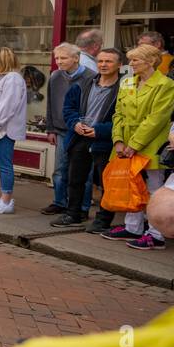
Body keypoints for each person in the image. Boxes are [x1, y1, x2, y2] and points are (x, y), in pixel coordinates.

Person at [101, 43, 174, 248]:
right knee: (130, 185)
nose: (131, 64)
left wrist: (134, 144)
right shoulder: (127, 83)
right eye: (130, 59)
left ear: (151, 61)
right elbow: (117, 113)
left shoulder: (165, 85)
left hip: (151, 144)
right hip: (125, 144)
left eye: (135, 60)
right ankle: (132, 227)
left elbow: (156, 119)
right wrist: (117, 140)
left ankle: (155, 235)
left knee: (154, 188)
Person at [53, 48, 122, 229]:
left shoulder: (124, 89)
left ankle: (102, 221)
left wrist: (100, 130)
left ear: (119, 65)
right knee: (75, 178)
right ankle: (74, 214)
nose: (103, 65)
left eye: (109, 61)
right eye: (100, 61)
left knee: (105, 183)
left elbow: (125, 119)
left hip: (105, 141)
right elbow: (68, 108)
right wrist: (75, 123)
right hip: (80, 138)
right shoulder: (84, 84)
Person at [43, 43, 92, 216]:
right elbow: (50, 104)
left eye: (63, 58)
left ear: (76, 58)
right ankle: (59, 202)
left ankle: (82, 207)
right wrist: (50, 128)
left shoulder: (90, 77)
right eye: (57, 58)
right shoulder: (55, 76)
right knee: (59, 170)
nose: (58, 62)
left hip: (82, 131)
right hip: (61, 130)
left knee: (83, 172)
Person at [0, 47, 27, 215]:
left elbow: (8, 105)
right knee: (2, 164)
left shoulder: (13, 79)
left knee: (5, 165)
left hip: (4, 130)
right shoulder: (1, 78)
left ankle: (6, 200)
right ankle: (4, 198)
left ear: (1, 61)